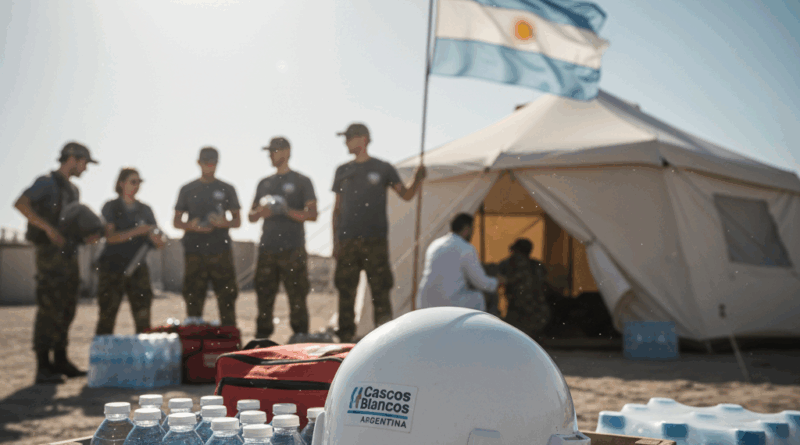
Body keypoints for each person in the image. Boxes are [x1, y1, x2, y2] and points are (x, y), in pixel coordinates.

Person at [331, 123, 425, 342]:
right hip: (347, 241)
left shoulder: (383, 168)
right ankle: (344, 340)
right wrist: (335, 243)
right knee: (346, 293)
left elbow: (407, 195)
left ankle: (384, 339)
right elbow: (336, 210)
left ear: (362, 139)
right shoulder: (342, 170)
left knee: (380, 292)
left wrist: (418, 178)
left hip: (375, 241)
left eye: (349, 138)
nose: (346, 142)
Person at [13, 141, 98, 384]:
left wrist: (86, 236)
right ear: (72, 157)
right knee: (49, 306)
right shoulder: (46, 182)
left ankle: (60, 360)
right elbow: (21, 203)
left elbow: (70, 225)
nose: (85, 168)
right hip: (49, 255)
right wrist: (48, 229)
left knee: (68, 306)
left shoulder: (73, 191)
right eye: (84, 162)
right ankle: (43, 366)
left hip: (69, 254)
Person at [248, 137, 318, 339]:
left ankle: (301, 336)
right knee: (264, 296)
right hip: (267, 248)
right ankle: (262, 339)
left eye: (274, 151)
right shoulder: (265, 183)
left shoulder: (302, 181)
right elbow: (251, 216)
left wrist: (286, 210)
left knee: (297, 297)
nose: (270, 155)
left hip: (293, 248)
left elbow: (312, 214)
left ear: (286, 152)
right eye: (269, 151)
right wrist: (262, 212)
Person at [173, 147, 241, 327]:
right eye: (205, 162)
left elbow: (237, 220)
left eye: (213, 162)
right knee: (193, 296)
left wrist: (222, 223)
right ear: (198, 162)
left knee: (227, 296)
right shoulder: (187, 189)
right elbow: (176, 221)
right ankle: (194, 342)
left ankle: (229, 337)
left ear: (217, 163)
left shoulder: (227, 188)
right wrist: (192, 226)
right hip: (194, 251)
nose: (209, 166)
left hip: (221, 250)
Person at [95, 168, 166, 335]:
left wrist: (156, 238)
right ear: (121, 183)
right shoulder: (111, 206)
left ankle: (143, 357)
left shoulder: (145, 209)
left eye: (139, 182)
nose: (137, 186)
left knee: (143, 318)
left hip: (138, 268)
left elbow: (159, 241)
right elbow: (110, 237)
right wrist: (139, 231)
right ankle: (103, 357)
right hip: (112, 267)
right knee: (107, 315)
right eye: (133, 182)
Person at [416, 213, 500, 311]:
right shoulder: (466, 248)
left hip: (424, 301)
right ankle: (480, 326)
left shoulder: (435, 244)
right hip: (448, 302)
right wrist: (496, 282)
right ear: (466, 229)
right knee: (479, 297)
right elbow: (480, 282)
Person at [498, 238, 551, 337]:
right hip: (540, 314)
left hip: (518, 314)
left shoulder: (509, 264)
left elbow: (492, 279)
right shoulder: (538, 266)